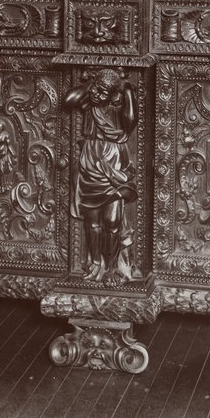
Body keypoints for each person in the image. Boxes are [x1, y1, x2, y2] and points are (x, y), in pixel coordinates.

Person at [64, 69, 139, 284]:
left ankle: (113, 268)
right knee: (92, 220)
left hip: (114, 157)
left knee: (112, 220)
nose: (97, 94)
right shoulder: (90, 101)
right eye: (96, 89)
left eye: (103, 92)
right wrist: (92, 86)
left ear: (113, 95)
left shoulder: (117, 106)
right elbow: (68, 100)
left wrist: (127, 93)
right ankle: (96, 263)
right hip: (91, 157)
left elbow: (131, 122)